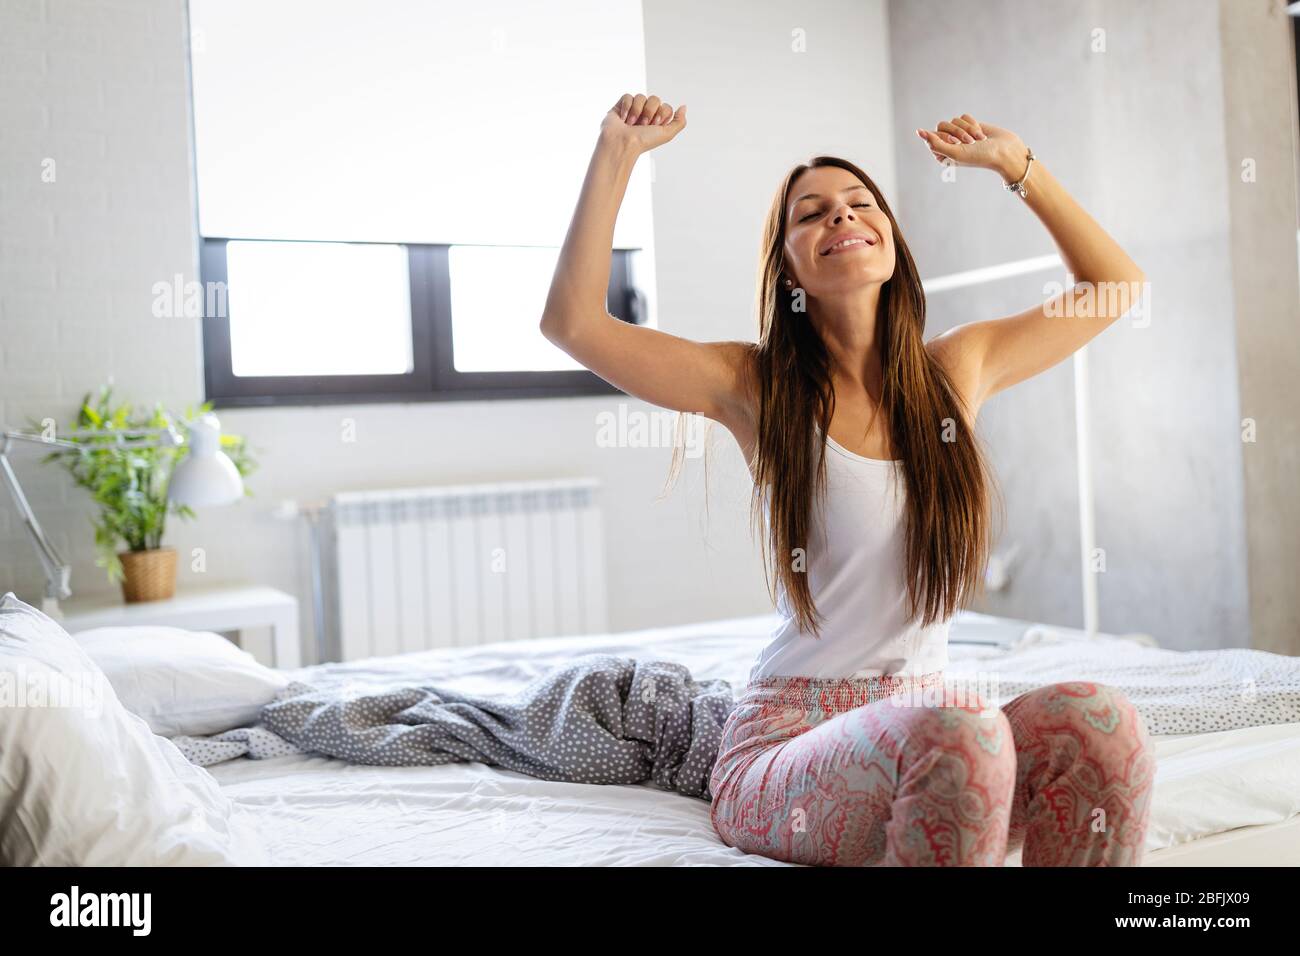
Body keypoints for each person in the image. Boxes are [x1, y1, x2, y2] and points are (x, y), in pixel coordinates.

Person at [541, 93, 1155, 866]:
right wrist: (617, 154)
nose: (842, 216)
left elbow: (1117, 286)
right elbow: (574, 324)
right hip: (788, 744)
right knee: (960, 729)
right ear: (787, 263)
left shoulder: (956, 372)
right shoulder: (755, 384)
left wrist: (1014, 165)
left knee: (1100, 722)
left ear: (892, 240)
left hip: (927, 731)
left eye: (861, 203)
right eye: (812, 213)